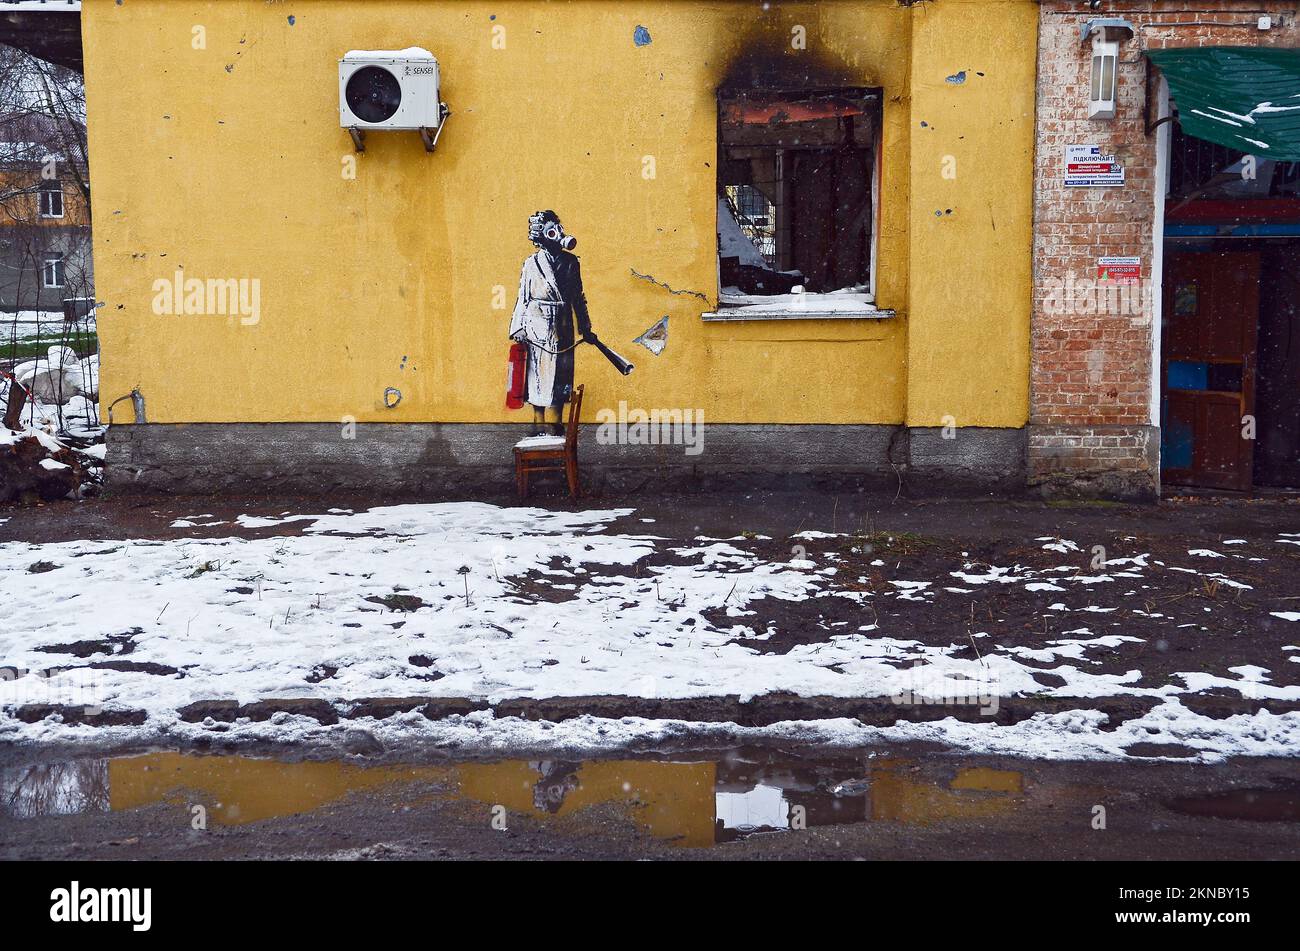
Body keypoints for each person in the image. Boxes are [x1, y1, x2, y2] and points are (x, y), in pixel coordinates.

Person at [508, 210, 594, 435]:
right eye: (551, 228)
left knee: (559, 385)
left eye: (557, 225)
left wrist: (585, 327)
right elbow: (523, 298)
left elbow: (578, 296)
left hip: (563, 327)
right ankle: (537, 431)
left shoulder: (571, 262)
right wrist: (519, 328)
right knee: (538, 383)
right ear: (541, 234)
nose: (558, 231)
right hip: (537, 329)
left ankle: (556, 433)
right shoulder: (531, 263)